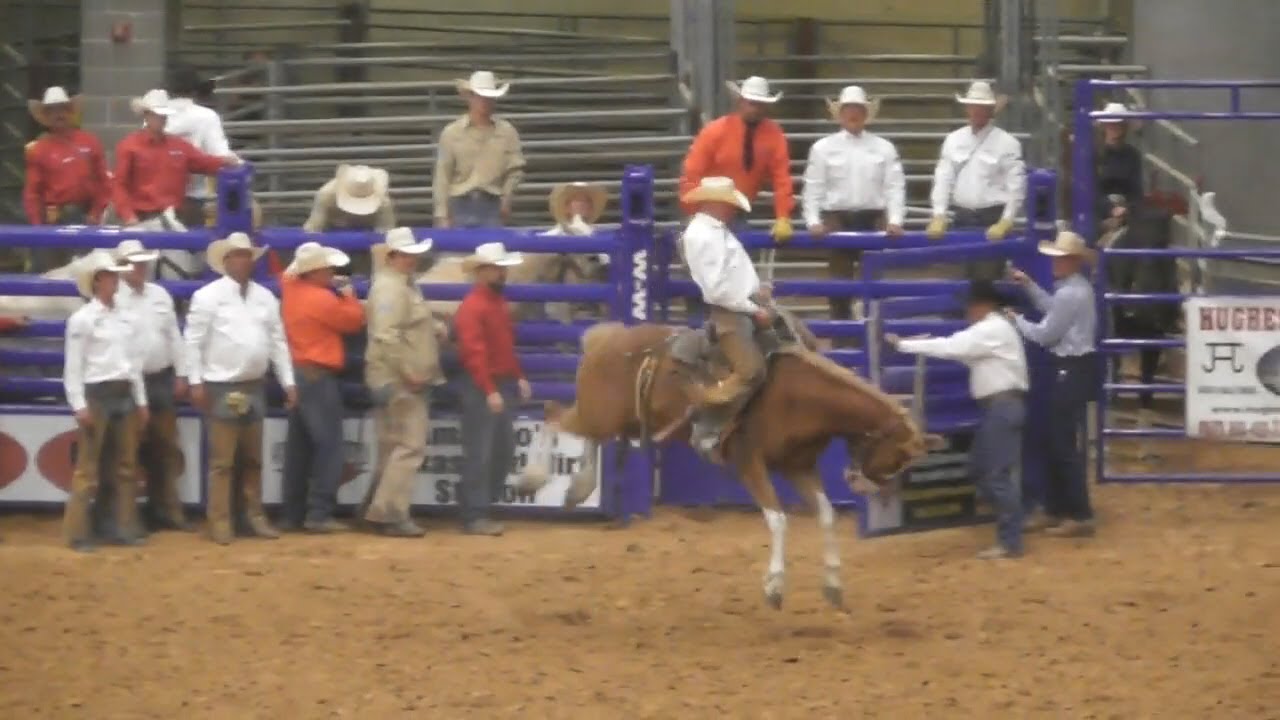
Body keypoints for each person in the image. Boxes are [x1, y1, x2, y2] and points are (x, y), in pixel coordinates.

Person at [886, 280, 1029, 559]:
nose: (966, 311)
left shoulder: (991, 329)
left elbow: (954, 346)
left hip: (1001, 406)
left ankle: (1010, 540)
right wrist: (918, 345)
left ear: (982, 305)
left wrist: (904, 345)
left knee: (994, 475)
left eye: (970, 305)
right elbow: (962, 351)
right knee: (981, 468)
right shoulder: (995, 330)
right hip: (1001, 407)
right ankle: (1010, 524)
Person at [185, 232, 296, 545]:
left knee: (251, 458)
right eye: (237, 255)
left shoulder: (264, 297)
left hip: (252, 383)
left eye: (247, 255)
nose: (243, 261)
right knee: (223, 460)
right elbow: (193, 342)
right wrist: (195, 381)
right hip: (221, 383)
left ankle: (250, 515)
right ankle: (221, 520)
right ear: (225, 261)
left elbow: (278, 342)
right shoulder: (207, 297)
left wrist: (288, 380)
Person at [1008, 230, 1098, 538]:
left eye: (1059, 259)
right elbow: (1054, 312)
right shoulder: (1075, 289)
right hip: (1075, 368)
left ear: (1072, 261)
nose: (1054, 264)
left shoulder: (1071, 292)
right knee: (1059, 441)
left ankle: (1077, 513)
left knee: (1061, 444)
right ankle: (1062, 509)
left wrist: (1015, 321)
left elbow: (1045, 335)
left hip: (1070, 368)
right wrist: (1030, 285)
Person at [679, 177, 773, 456]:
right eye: (728, 204)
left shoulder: (715, 231)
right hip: (730, 314)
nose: (733, 210)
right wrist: (754, 308)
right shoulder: (702, 235)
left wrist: (757, 292)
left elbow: (729, 277)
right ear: (716, 203)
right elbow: (716, 290)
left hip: (741, 305)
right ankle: (706, 423)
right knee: (751, 370)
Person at [62, 251, 149, 552]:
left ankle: (120, 525)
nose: (117, 280)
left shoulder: (123, 317)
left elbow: (133, 362)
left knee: (124, 465)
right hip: (98, 394)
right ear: (98, 280)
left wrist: (141, 400)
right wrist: (79, 405)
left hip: (120, 391)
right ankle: (80, 531)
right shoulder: (83, 320)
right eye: (111, 275)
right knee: (89, 468)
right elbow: (73, 368)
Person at [278, 242, 367, 533]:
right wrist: (348, 295)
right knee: (329, 445)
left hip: (297, 374)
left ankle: (293, 513)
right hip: (317, 376)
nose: (332, 272)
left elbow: (288, 276)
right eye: (327, 268)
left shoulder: (291, 289)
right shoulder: (322, 299)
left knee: (299, 448)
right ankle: (319, 512)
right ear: (315, 272)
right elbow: (354, 321)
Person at [359, 227, 442, 537]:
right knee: (409, 445)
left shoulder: (399, 286)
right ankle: (389, 512)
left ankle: (375, 508)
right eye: (406, 255)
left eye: (414, 255)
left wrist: (432, 328)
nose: (412, 260)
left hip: (391, 377)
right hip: (399, 380)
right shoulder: (393, 289)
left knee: (394, 446)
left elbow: (394, 328)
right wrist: (408, 371)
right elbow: (385, 335)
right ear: (392, 256)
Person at [802, 85, 906, 328]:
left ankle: (873, 338)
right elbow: (813, 186)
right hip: (837, 220)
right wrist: (813, 221)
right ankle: (842, 341)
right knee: (839, 287)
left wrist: (895, 220)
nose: (853, 114)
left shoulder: (884, 147)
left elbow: (894, 186)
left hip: (874, 220)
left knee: (874, 287)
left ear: (865, 113)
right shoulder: (822, 148)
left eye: (857, 109)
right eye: (848, 109)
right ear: (839, 114)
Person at [112, 239, 191, 532]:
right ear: (121, 267)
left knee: (166, 448)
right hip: (128, 381)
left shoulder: (159, 294)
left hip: (160, 377)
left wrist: (182, 373)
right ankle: (128, 517)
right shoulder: (113, 300)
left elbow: (174, 335)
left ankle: (167, 510)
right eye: (135, 262)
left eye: (143, 262)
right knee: (129, 452)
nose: (141, 267)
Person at [454, 242, 532, 536]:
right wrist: (490, 388)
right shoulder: (477, 307)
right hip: (483, 385)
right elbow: (475, 354)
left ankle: (477, 508)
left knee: (496, 449)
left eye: (502, 269)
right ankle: (474, 513)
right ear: (482, 271)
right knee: (483, 451)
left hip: (492, 383)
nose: (502, 274)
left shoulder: (488, 304)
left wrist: (517, 375)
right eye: (497, 269)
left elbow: (500, 347)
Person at [928, 81, 1027, 281]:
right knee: (958, 278)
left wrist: (1006, 220)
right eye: (973, 106)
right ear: (967, 108)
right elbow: (943, 178)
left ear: (991, 110)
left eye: (982, 107)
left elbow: (1016, 187)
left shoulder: (1008, 143)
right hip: (961, 215)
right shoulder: (953, 140)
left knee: (986, 279)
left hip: (991, 217)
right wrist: (939, 213)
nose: (977, 111)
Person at [679, 76, 795, 243]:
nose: (755, 109)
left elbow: (782, 179)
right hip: (706, 210)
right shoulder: (715, 131)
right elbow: (692, 172)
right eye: (752, 103)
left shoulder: (774, 135)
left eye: (760, 104)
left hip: (738, 210)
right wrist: (692, 211)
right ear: (740, 102)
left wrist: (783, 216)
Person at [112, 89, 240, 228]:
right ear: (146, 116)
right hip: (142, 216)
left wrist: (225, 162)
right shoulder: (129, 146)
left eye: (164, 116)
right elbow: (119, 184)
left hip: (174, 216)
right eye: (158, 115)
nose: (162, 120)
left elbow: (203, 162)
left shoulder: (179, 146)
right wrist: (128, 215)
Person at [22, 87, 110, 271]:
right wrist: (38, 227)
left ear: (69, 112)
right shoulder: (39, 150)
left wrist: (95, 212)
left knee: (88, 273)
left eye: (61, 109)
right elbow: (33, 192)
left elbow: (103, 182)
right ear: (46, 116)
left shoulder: (90, 141)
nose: (58, 114)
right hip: (54, 219)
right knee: (49, 275)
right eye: (52, 110)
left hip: (86, 217)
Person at [433, 71, 526, 228]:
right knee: (457, 252)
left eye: (488, 97)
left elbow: (515, 170)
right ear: (470, 97)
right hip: (459, 203)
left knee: (491, 251)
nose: (484, 101)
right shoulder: (451, 132)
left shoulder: (507, 132)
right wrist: (442, 213)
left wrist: (506, 197)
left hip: (492, 203)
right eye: (479, 96)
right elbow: (443, 174)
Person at [165, 65, 233, 229]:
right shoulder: (206, 117)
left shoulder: (153, 118)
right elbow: (221, 156)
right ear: (195, 90)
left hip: (155, 201)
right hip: (192, 200)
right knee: (193, 249)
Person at [302, 163, 396, 233]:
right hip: (332, 231)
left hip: (367, 233)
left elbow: (386, 231)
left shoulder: (383, 202)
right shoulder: (326, 195)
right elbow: (314, 229)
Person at [1094, 101, 1143, 225]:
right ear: (1104, 127)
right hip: (1098, 214)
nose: (1115, 128)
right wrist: (1110, 209)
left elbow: (1136, 191)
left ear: (1125, 127)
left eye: (1119, 124)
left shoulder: (1132, 155)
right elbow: (1090, 190)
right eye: (1111, 124)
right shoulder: (1093, 154)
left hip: (1126, 214)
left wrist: (1127, 209)